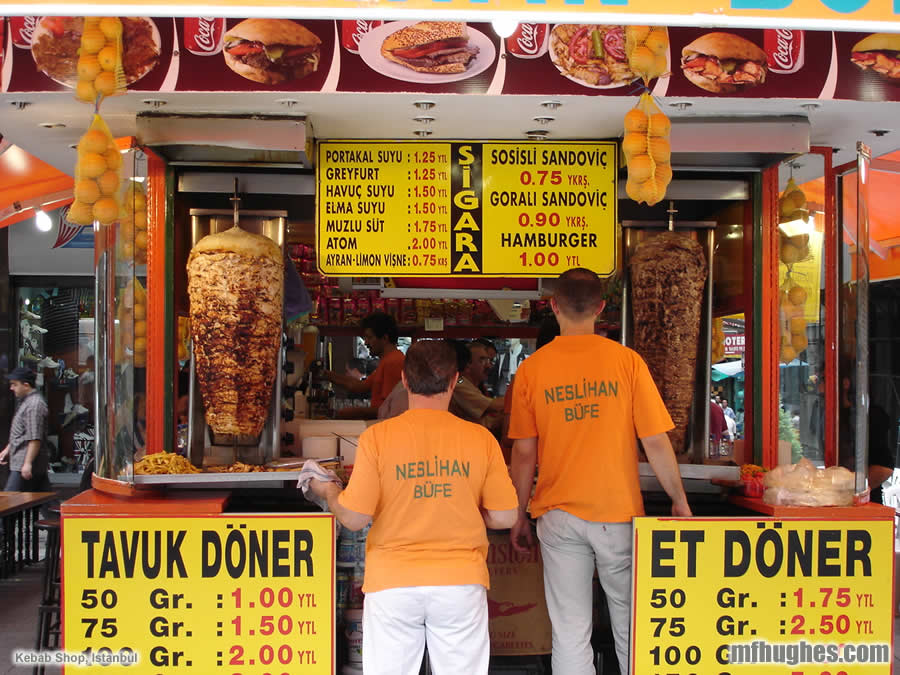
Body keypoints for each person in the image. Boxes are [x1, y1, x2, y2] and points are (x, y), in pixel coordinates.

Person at [508, 268, 692, 675]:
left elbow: (524, 454)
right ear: (601, 308)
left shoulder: (532, 370)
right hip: (618, 515)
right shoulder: (627, 363)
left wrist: (517, 514)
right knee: (631, 625)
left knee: (570, 631)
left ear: (553, 306)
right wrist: (679, 500)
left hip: (557, 515)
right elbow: (656, 441)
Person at [309, 340, 518, 675]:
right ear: (453, 382)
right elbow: (505, 516)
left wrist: (328, 491)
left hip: (393, 583)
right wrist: (463, 504)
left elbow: (354, 517)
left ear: (404, 381)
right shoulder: (480, 439)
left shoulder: (378, 438)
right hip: (459, 582)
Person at [324, 312, 404, 419]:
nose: (366, 343)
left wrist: (346, 413)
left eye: (370, 337)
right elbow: (360, 386)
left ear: (385, 338)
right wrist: (326, 375)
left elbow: (387, 410)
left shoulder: (394, 362)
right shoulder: (388, 360)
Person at [0, 367, 51, 491]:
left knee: (10, 502)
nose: (11, 388)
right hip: (23, 462)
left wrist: (27, 463)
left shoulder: (34, 404)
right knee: (42, 500)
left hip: (25, 463)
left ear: (26, 385)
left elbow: (35, 438)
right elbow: (22, 432)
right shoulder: (26, 402)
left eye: (15, 385)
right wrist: (8, 449)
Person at [449, 341, 504, 433]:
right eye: (482, 360)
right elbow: (493, 406)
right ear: (468, 364)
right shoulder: (459, 384)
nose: (488, 366)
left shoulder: (478, 386)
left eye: (489, 360)